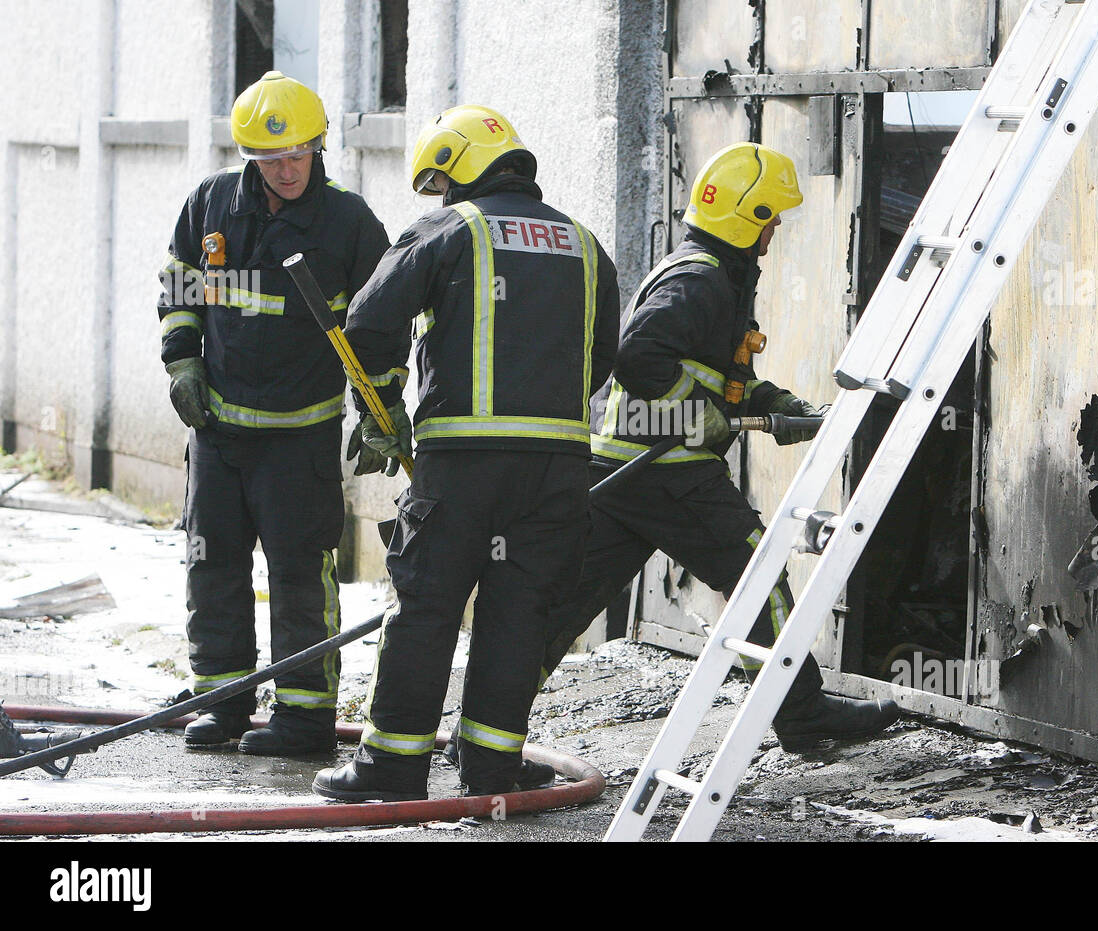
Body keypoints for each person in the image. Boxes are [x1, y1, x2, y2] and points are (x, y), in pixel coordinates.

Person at [536, 142, 900, 752]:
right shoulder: (702, 279)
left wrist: (773, 402)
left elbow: (711, 369)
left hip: (628, 470)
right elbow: (637, 357)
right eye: (770, 214)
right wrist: (697, 414)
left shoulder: (709, 272)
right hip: (668, 472)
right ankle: (801, 712)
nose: (777, 226)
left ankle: (488, 727)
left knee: (561, 603)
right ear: (746, 216)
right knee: (760, 573)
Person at [310, 105, 621, 801]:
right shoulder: (583, 242)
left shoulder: (451, 229)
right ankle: (491, 767)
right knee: (520, 613)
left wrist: (382, 408)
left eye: (442, 183)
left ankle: (392, 764)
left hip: (462, 466)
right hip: (559, 470)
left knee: (426, 606)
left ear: (458, 172)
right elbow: (603, 358)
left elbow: (368, 320)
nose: (442, 197)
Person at [158, 71, 391, 755]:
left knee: (300, 575)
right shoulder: (209, 206)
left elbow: (376, 328)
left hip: (299, 438)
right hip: (220, 436)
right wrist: (182, 359)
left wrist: (384, 406)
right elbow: (178, 286)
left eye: (300, 155)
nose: (288, 170)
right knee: (212, 563)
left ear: (318, 147)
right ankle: (221, 703)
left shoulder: (349, 223)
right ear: (249, 157)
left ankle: (304, 717)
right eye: (272, 158)